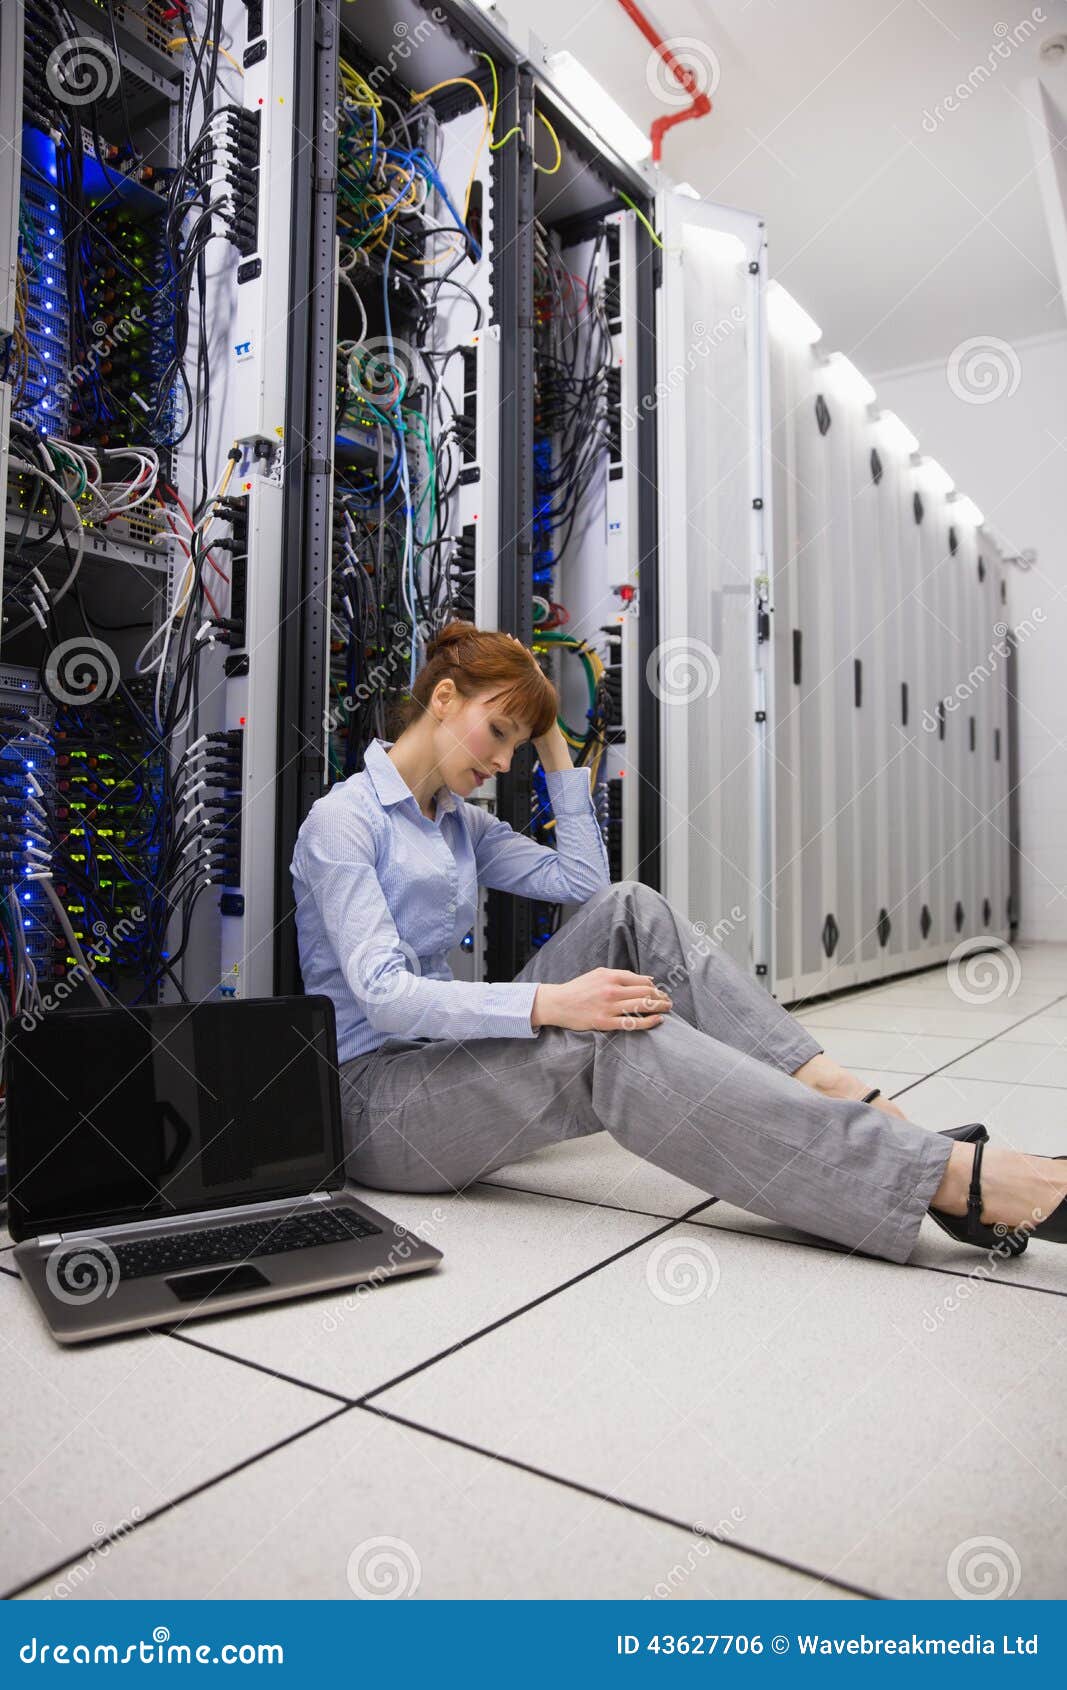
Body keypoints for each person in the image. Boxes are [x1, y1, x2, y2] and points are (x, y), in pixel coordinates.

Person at [290, 620, 1067, 1265]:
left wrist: (554, 747)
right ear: (443, 696)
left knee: (631, 907)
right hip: (374, 1103)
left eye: (515, 745)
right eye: (496, 733)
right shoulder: (343, 823)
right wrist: (556, 1002)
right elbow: (385, 1001)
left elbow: (583, 882)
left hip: (441, 1062)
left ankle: (834, 1087)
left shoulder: (456, 821)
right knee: (611, 1041)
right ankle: (943, 1179)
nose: (501, 761)